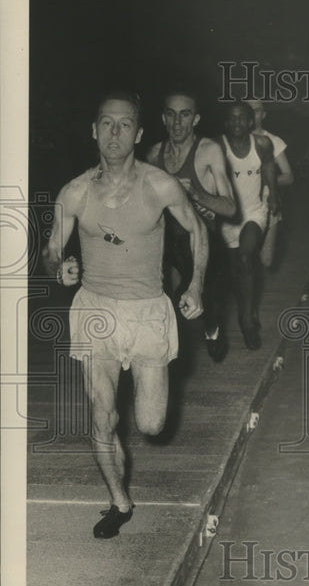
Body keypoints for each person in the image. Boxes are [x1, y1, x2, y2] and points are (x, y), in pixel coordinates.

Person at [42, 91, 207, 539]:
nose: (114, 133)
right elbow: (52, 249)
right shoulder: (75, 191)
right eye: (107, 124)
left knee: (151, 424)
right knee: (101, 415)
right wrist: (60, 268)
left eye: (124, 125)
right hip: (96, 309)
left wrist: (194, 285)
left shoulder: (159, 185)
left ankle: (130, 452)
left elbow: (197, 229)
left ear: (138, 134)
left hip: (148, 311)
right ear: (94, 130)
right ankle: (119, 501)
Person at [146, 90, 236, 362]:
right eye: (171, 114)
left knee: (208, 301)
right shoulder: (154, 155)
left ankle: (212, 326)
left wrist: (195, 195)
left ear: (195, 119)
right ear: (163, 118)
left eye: (184, 115)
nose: (177, 122)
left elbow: (231, 208)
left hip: (204, 239)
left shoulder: (208, 151)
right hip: (168, 242)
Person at [219, 101, 279, 350]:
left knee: (245, 257)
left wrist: (274, 196)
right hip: (227, 217)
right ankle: (249, 308)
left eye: (242, 118)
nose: (237, 123)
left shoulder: (262, 144)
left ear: (250, 121)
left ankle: (246, 321)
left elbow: (268, 168)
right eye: (232, 119)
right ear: (225, 122)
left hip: (255, 211)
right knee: (236, 271)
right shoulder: (216, 147)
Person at [246, 99, 294, 268]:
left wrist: (264, 181)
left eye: (257, 110)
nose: (252, 114)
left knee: (265, 260)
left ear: (264, 114)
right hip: (242, 205)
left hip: (267, 203)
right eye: (248, 110)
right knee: (244, 258)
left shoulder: (274, 140)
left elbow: (288, 176)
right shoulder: (234, 140)